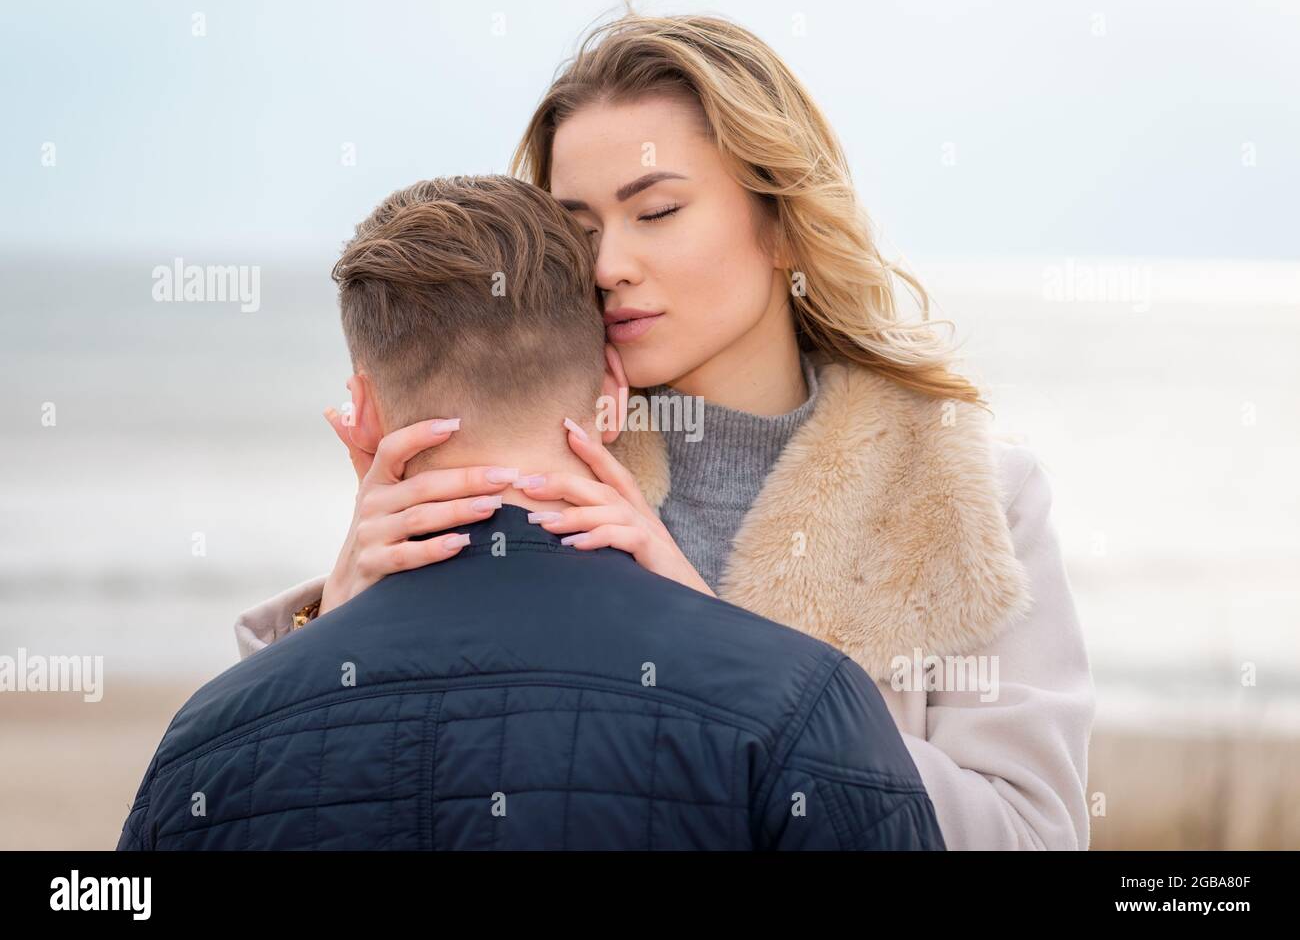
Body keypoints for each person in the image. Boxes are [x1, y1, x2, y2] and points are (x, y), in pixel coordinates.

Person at [236, 12, 1094, 850]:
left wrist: (719, 646)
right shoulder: (525, 463)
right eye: (578, 231)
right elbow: (308, 792)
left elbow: (1030, 833)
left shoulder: (969, 493)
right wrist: (341, 609)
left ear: (784, 223)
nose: (609, 265)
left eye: (655, 212)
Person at [117, 175, 946, 850]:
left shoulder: (209, 740)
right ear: (612, 396)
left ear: (363, 412)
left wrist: (322, 627)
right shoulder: (796, 704)